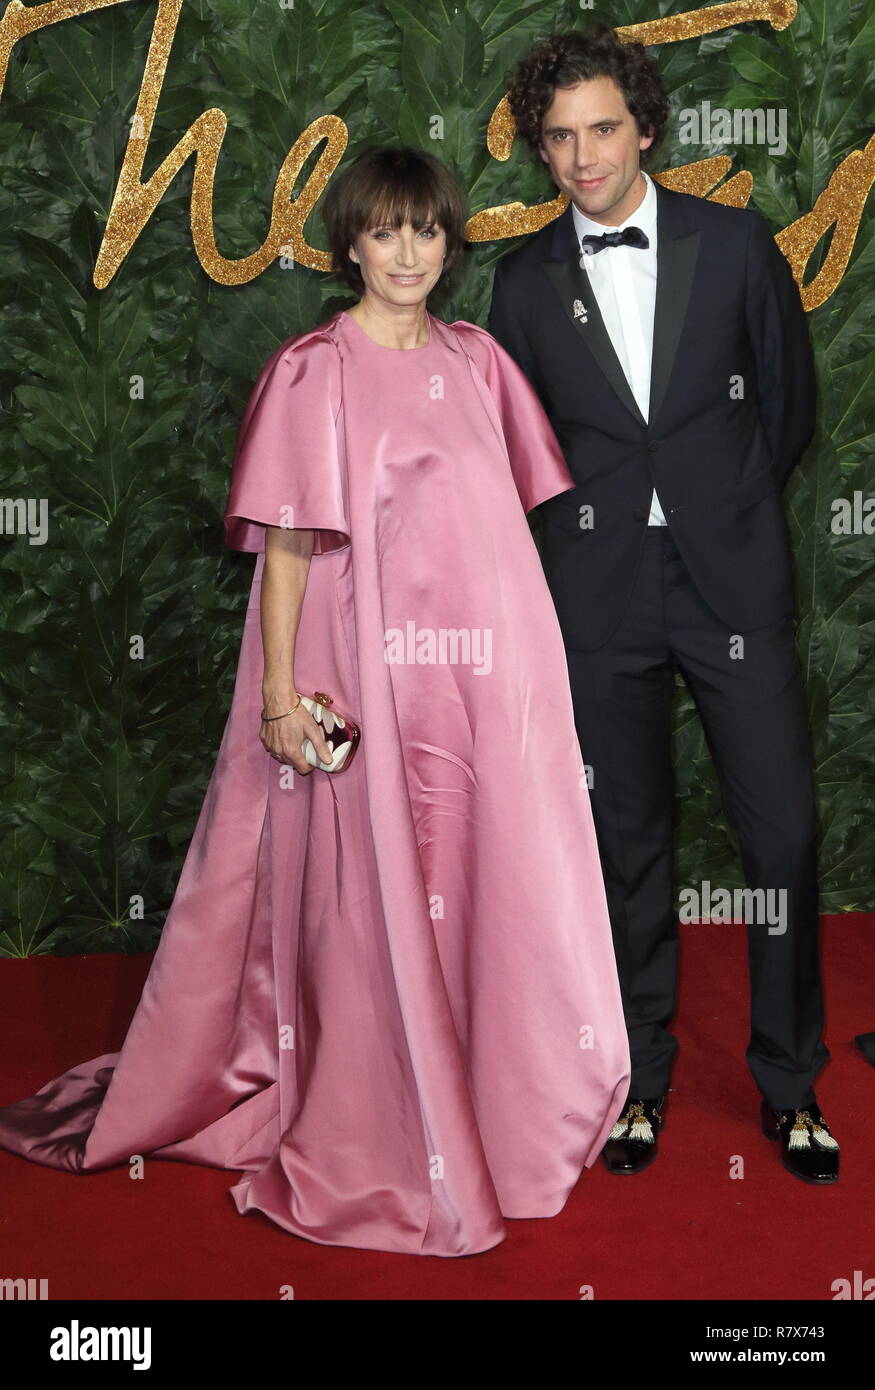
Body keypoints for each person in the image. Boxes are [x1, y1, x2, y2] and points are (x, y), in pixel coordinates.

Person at [0, 145, 630, 1255]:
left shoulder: (480, 364)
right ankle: (381, 1118)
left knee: (488, 881)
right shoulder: (313, 371)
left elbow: (502, 537)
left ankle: (489, 1101)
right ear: (348, 244)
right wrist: (282, 693)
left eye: (424, 231)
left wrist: (524, 683)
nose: (405, 253)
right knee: (369, 894)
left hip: (483, 684)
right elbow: (287, 550)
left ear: (449, 243)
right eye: (382, 232)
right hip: (364, 683)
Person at [488, 25, 840, 1183]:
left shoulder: (736, 245)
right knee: (621, 845)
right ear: (538, 153)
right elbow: (517, 450)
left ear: (644, 125)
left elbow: (784, 411)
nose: (582, 158)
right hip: (597, 601)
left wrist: (719, 512)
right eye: (558, 138)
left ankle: (789, 1084)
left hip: (729, 581)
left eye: (601, 129)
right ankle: (636, 1077)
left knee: (781, 834)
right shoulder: (520, 281)